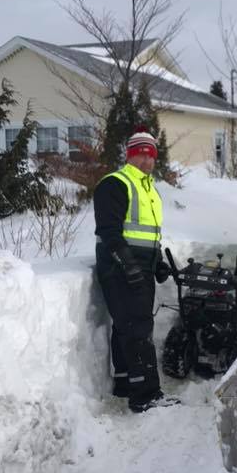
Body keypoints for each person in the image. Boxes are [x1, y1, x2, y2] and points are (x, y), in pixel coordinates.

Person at [93, 126, 173, 413]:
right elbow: (109, 231)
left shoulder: (150, 189)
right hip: (119, 265)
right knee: (138, 327)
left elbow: (148, 234)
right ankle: (146, 395)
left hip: (140, 264)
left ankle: (126, 382)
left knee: (126, 325)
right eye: (140, 155)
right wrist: (127, 264)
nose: (146, 161)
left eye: (151, 156)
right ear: (129, 156)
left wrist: (157, 263)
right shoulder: (116, 183)